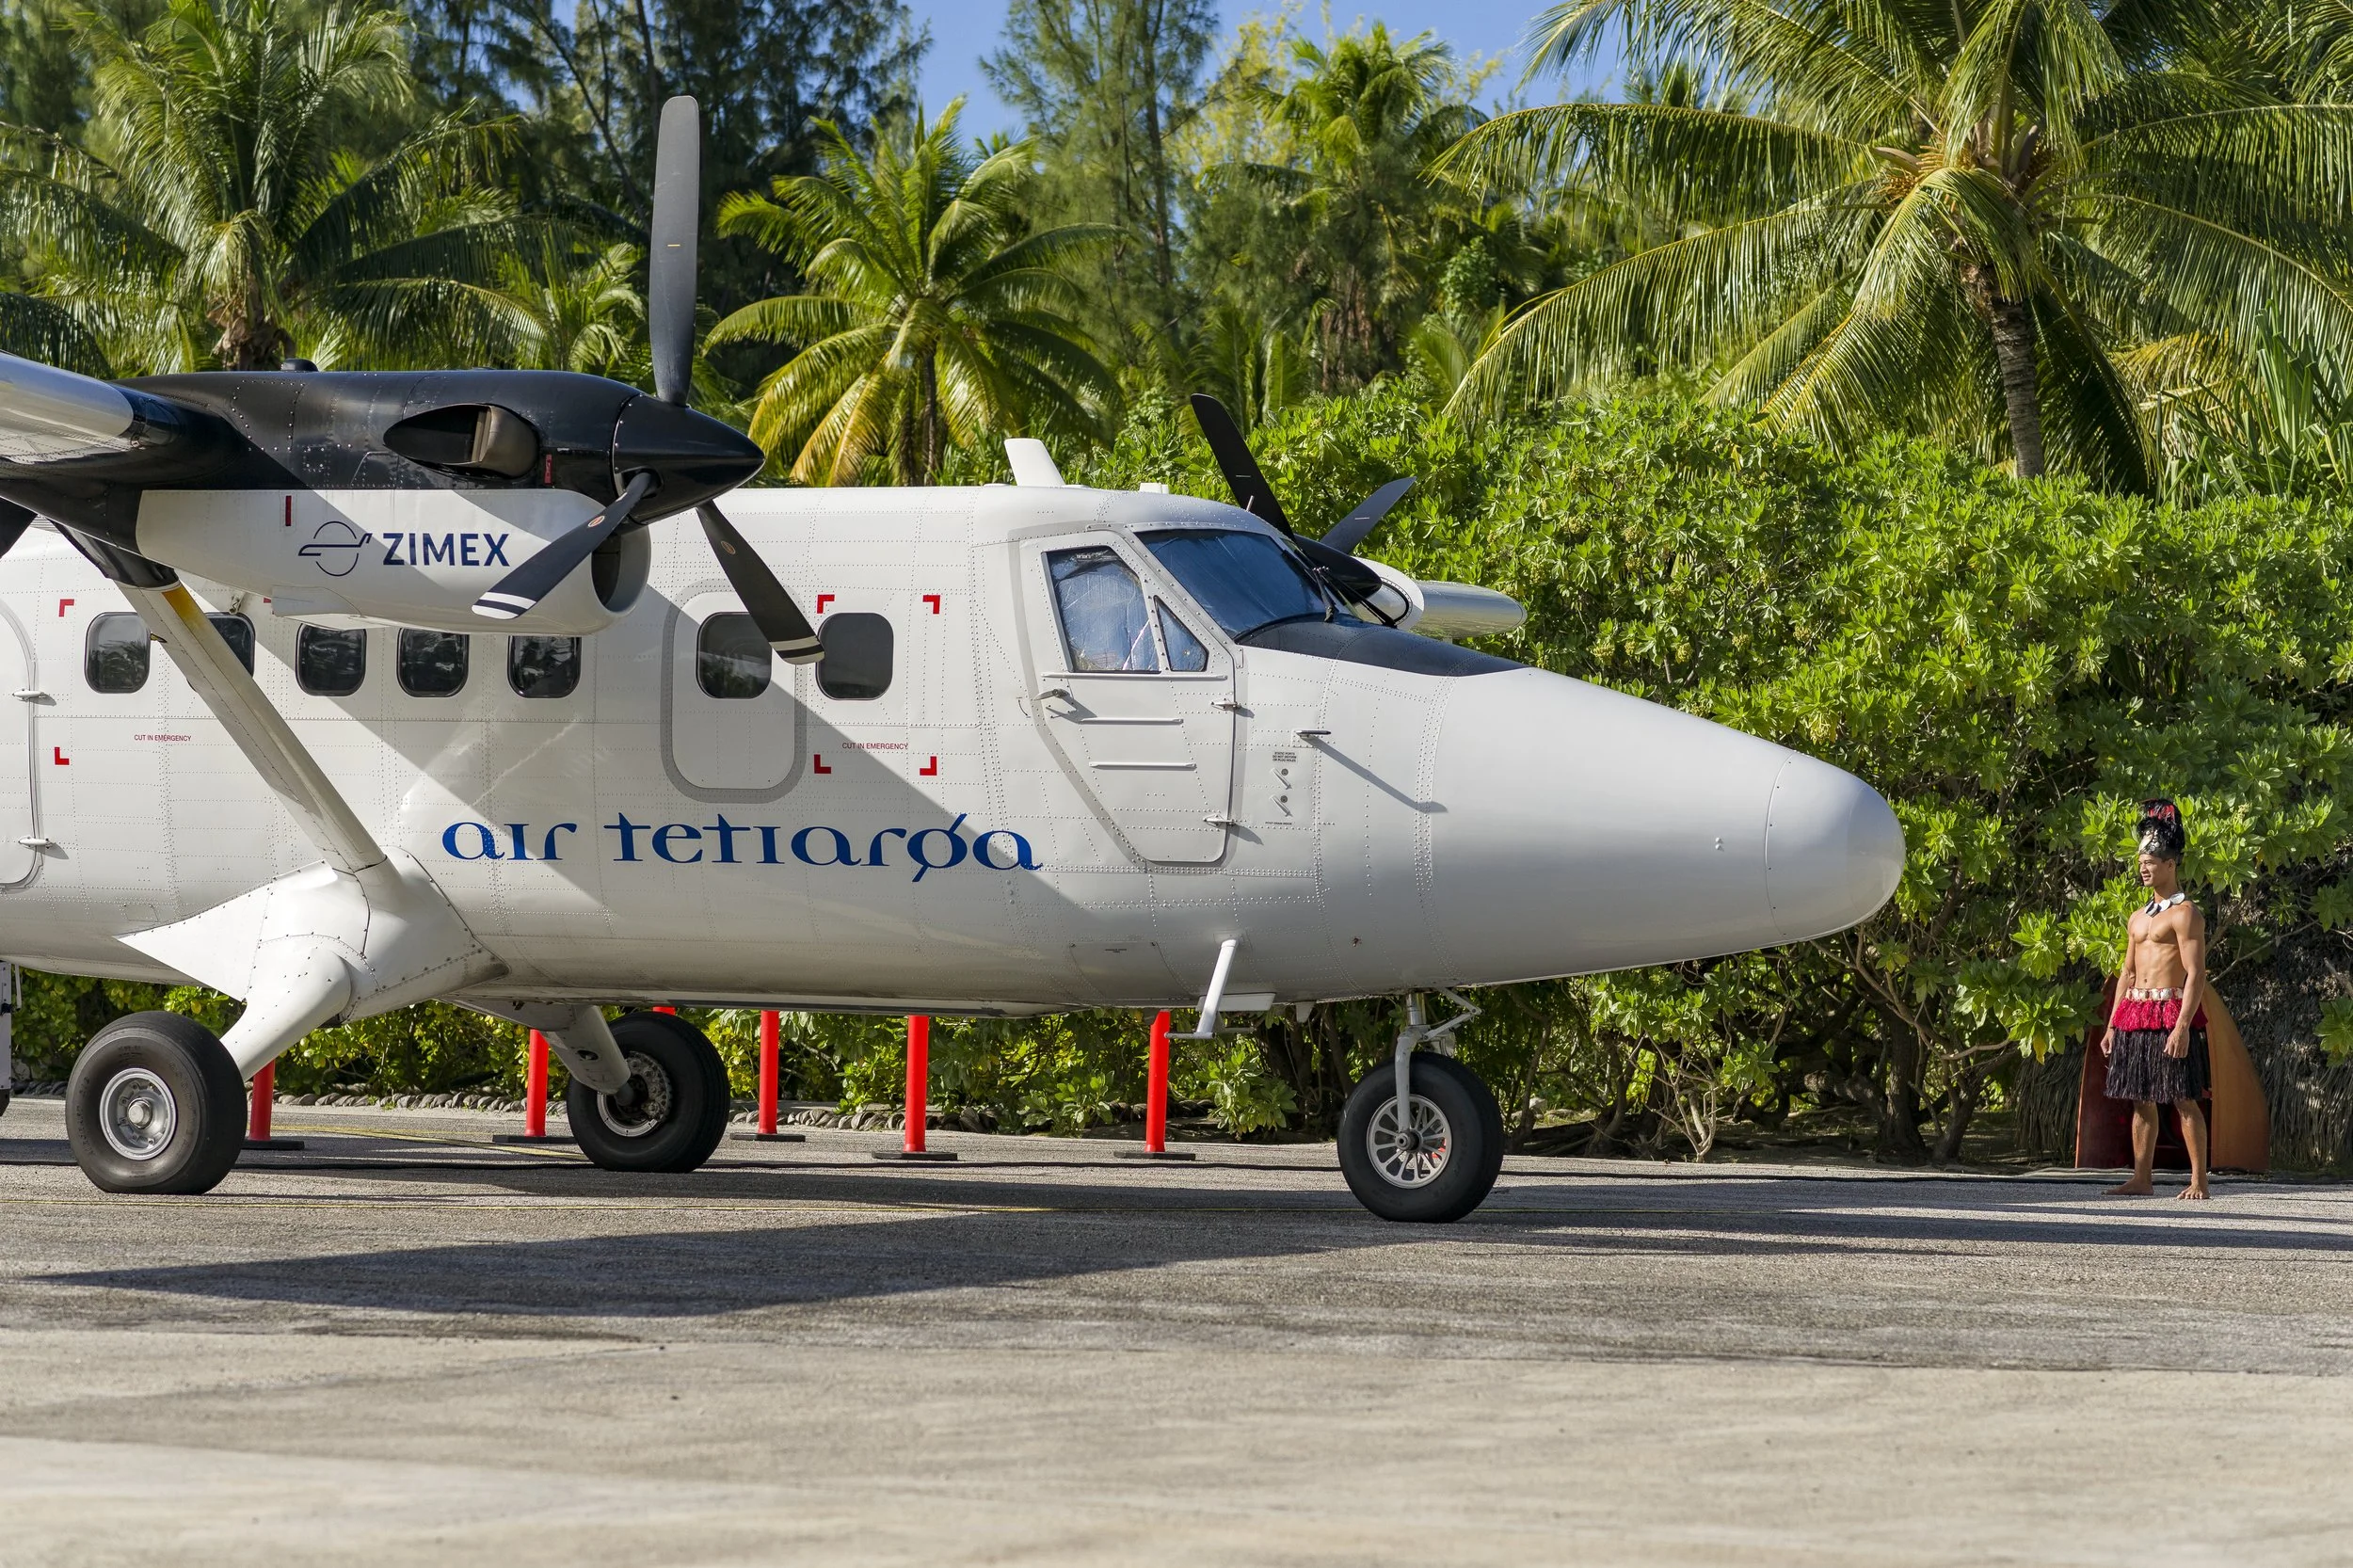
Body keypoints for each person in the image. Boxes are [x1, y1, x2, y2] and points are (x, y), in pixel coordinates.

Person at [2099, 800, 2211, 1199]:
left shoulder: (2186, 914)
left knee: (2183, 1099)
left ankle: (2198, 1181)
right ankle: (2141, 1179)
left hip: (2170, 1012)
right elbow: (2126, 974)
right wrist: (2112, 1024)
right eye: (2141, 861)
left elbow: (2196, 973)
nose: (2143, 868)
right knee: (2140, 1100)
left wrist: (2183, 1025)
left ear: (2171, 863)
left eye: (2151, 861)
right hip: (2135, 1012)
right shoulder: (2137, 917)